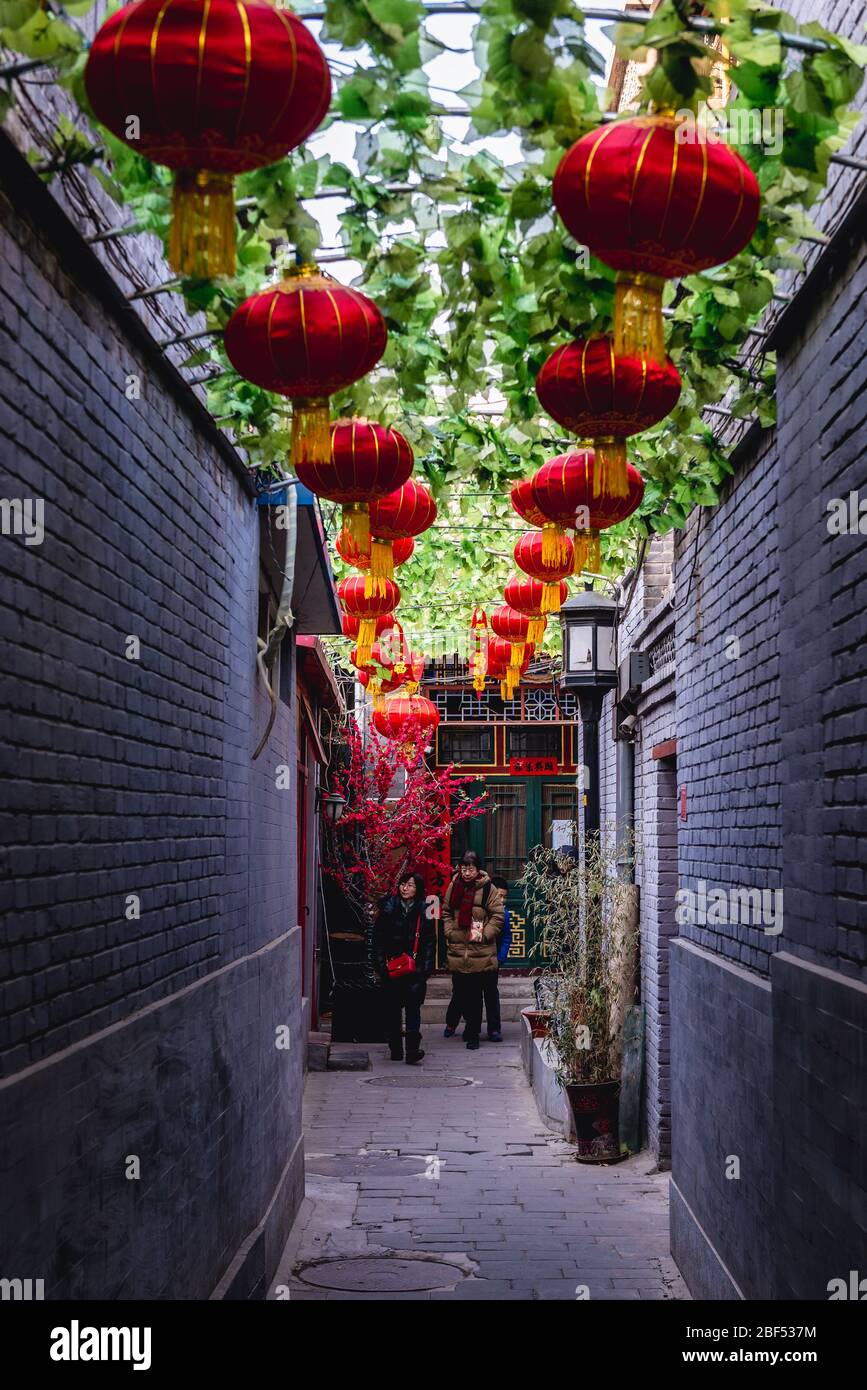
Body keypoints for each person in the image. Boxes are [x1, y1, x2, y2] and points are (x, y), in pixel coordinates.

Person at [441, 852, 504, 1050]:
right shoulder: (454, 886)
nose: (467, 873)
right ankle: (469, 1029)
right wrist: (449, 931)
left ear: (478, 870)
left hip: (481, 949)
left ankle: (474, 1034)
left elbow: (498, 915)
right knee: (466, 994)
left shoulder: (488, 888)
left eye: (471, 869)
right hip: (459, 947)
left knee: (479, 994)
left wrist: (485, 934)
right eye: (463, 868)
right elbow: (446, 912)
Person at [374, 871, 434, 1065]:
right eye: (402, 884)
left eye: (410, 885)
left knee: (413, 1009)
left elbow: (429, 943)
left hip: (414, 970)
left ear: (418, 889)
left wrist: (424, 971)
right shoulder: (388, 908)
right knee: (392, 1010)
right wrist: (380, 966)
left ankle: (412, 1050)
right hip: (391, 968)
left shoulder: (424, 909)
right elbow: (377, 941)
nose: (405, 888)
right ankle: (395, 1049)